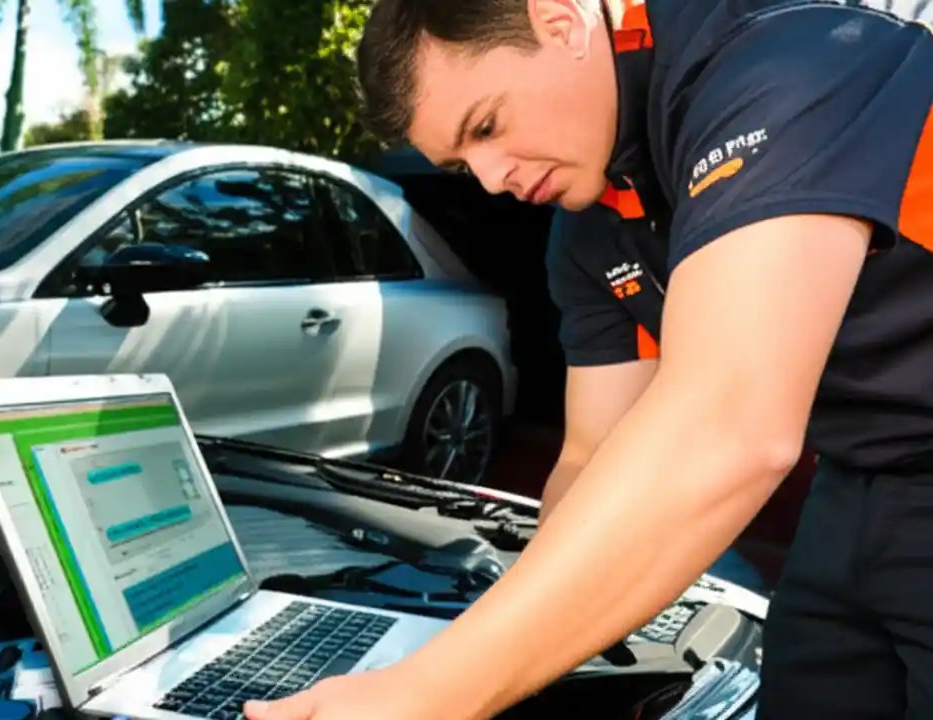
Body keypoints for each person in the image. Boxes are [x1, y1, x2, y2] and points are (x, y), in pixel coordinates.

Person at [242, 0, 933, 718]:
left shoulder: (786, 59)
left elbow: (730, 430)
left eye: (486, 127)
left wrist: (432, 694)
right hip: (854, 483)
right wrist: (494, 640)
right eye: (459, 161)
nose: (489, 179)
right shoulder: (588, 230)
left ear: (562, 22)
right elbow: (591, 457)